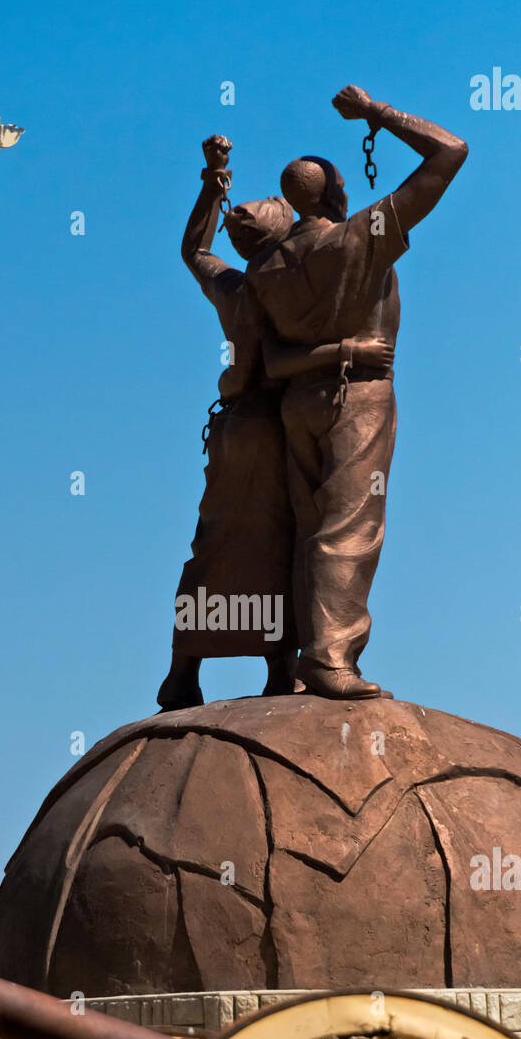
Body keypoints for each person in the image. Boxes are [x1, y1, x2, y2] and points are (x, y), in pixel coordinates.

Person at [246, 86, 468, 700]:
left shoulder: (265, 270)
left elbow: (267, 359)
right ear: (339, 194)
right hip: (358, 396)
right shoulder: (360, 234)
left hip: (299, 405)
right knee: (348, 525)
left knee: (307, 527)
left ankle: (299, 655)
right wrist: (377, 113)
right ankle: (329, 658)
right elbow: (451, 150)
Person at [156, 137, 299, 711]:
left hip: (236, 431)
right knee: (283, 545)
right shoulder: (296, 293)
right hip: (279, 428)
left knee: (214, 546)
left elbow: (194, 249)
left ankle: (183, 672)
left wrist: (214, 181)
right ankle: (281, 668)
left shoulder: (234, 288)